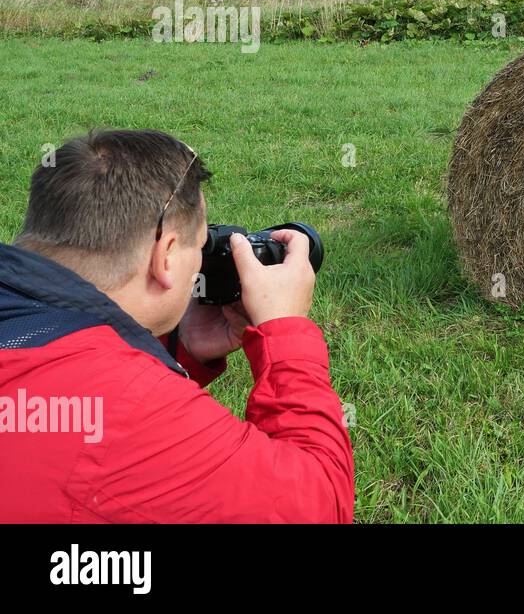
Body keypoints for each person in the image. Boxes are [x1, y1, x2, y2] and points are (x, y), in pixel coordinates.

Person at [0, 129, 354, 522]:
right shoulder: (128, 409)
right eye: (198, 246)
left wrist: (175, 349)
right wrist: (285, 330)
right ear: (166, 255)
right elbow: (315, 504)